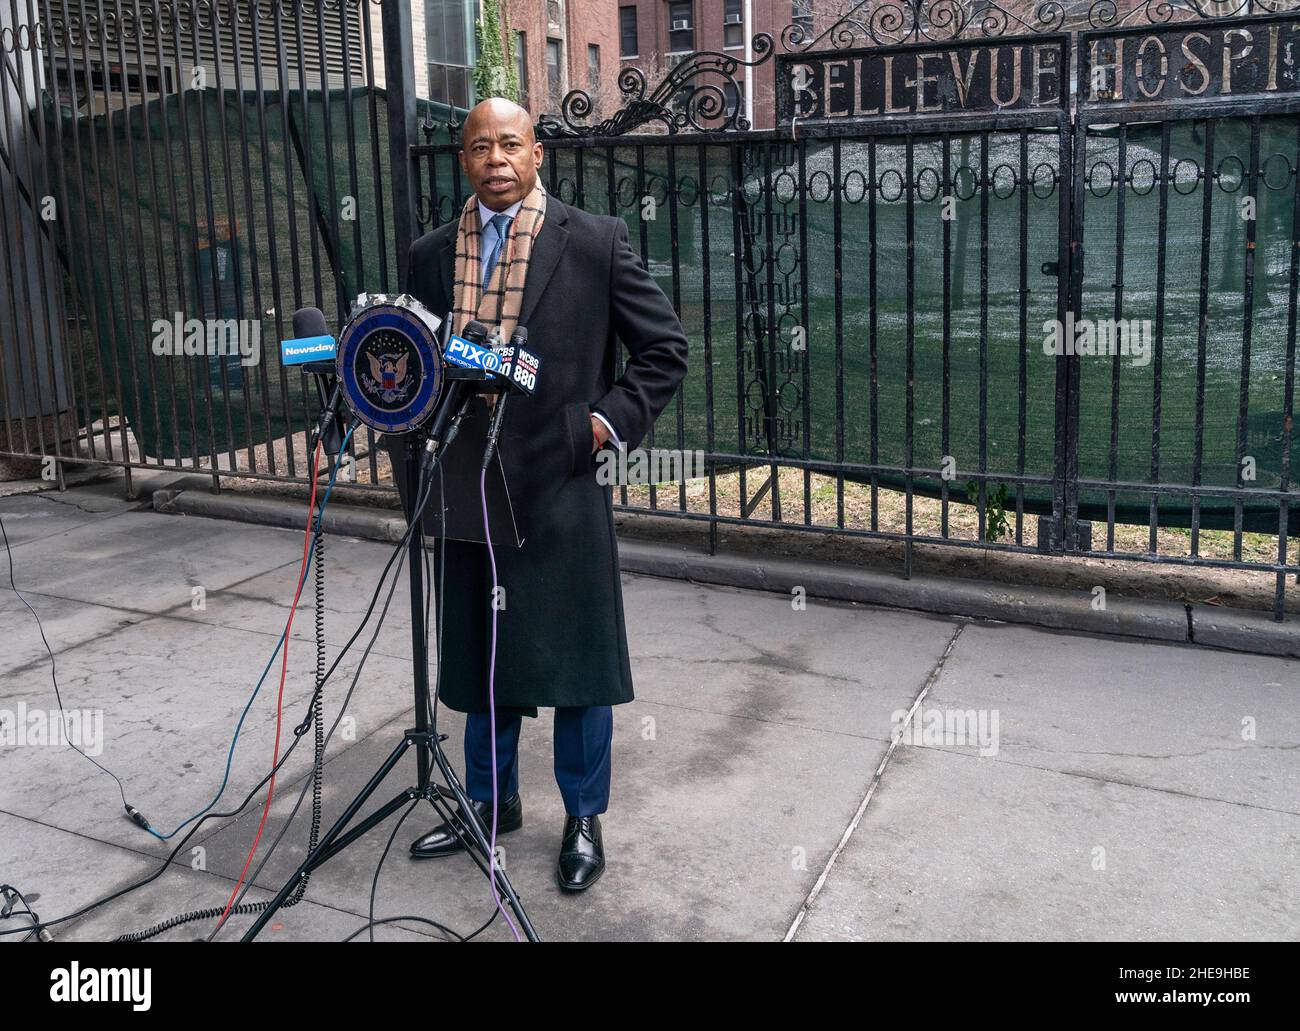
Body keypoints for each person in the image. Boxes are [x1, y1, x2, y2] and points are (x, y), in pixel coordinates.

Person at [400, 98, 688, 891]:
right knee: (483, 659)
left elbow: (664, 350)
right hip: (468, 480)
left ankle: (583, 817)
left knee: (577, 665)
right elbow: (416, 364)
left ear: (538, 154)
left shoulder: (594, 242)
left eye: (510, 144)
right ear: (463, 159)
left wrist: (598, 426)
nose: (495, 158)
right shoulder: (430, 255)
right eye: (479, 146)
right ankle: (490, 806)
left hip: (560, 483)